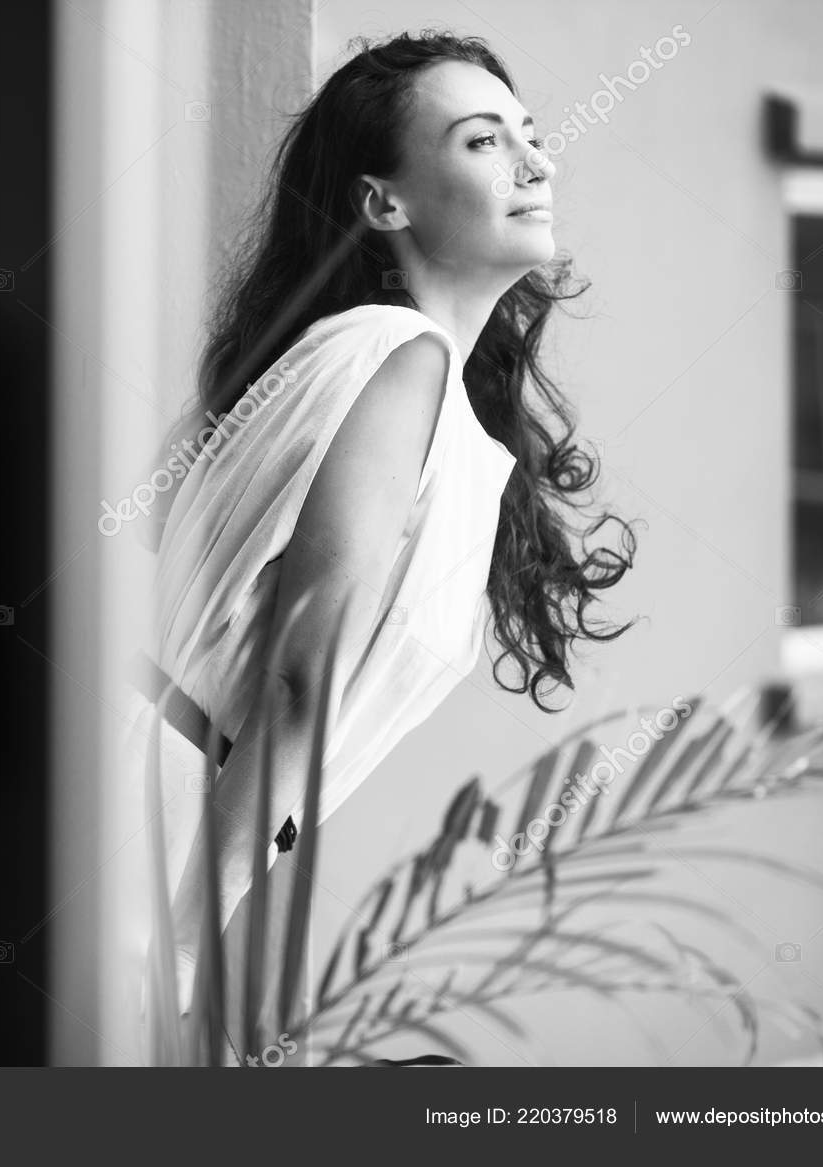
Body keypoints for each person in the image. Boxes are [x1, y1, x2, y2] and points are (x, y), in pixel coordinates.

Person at [125, 30, 638, 1056]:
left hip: (162, 822)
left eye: (530, 136)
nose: (536, 161)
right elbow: (297, 682)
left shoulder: (410, 381)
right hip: (137, 839)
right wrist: (193, 958)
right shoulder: (395, 357)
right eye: (483, 141)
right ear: (383, 203)